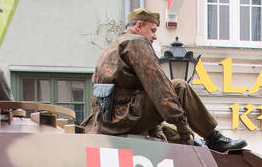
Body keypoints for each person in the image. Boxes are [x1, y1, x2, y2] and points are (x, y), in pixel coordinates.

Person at [81, 8, 246, 152]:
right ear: (139, 26)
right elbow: (159, 88)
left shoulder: (114, 46)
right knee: (179, 87)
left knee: (167, 131)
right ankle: (213, 137)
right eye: (152, 30)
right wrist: (183, 126)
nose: (154, 37)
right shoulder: (136, 42)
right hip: (123, 118)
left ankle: (196, 143)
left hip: (107, 121)